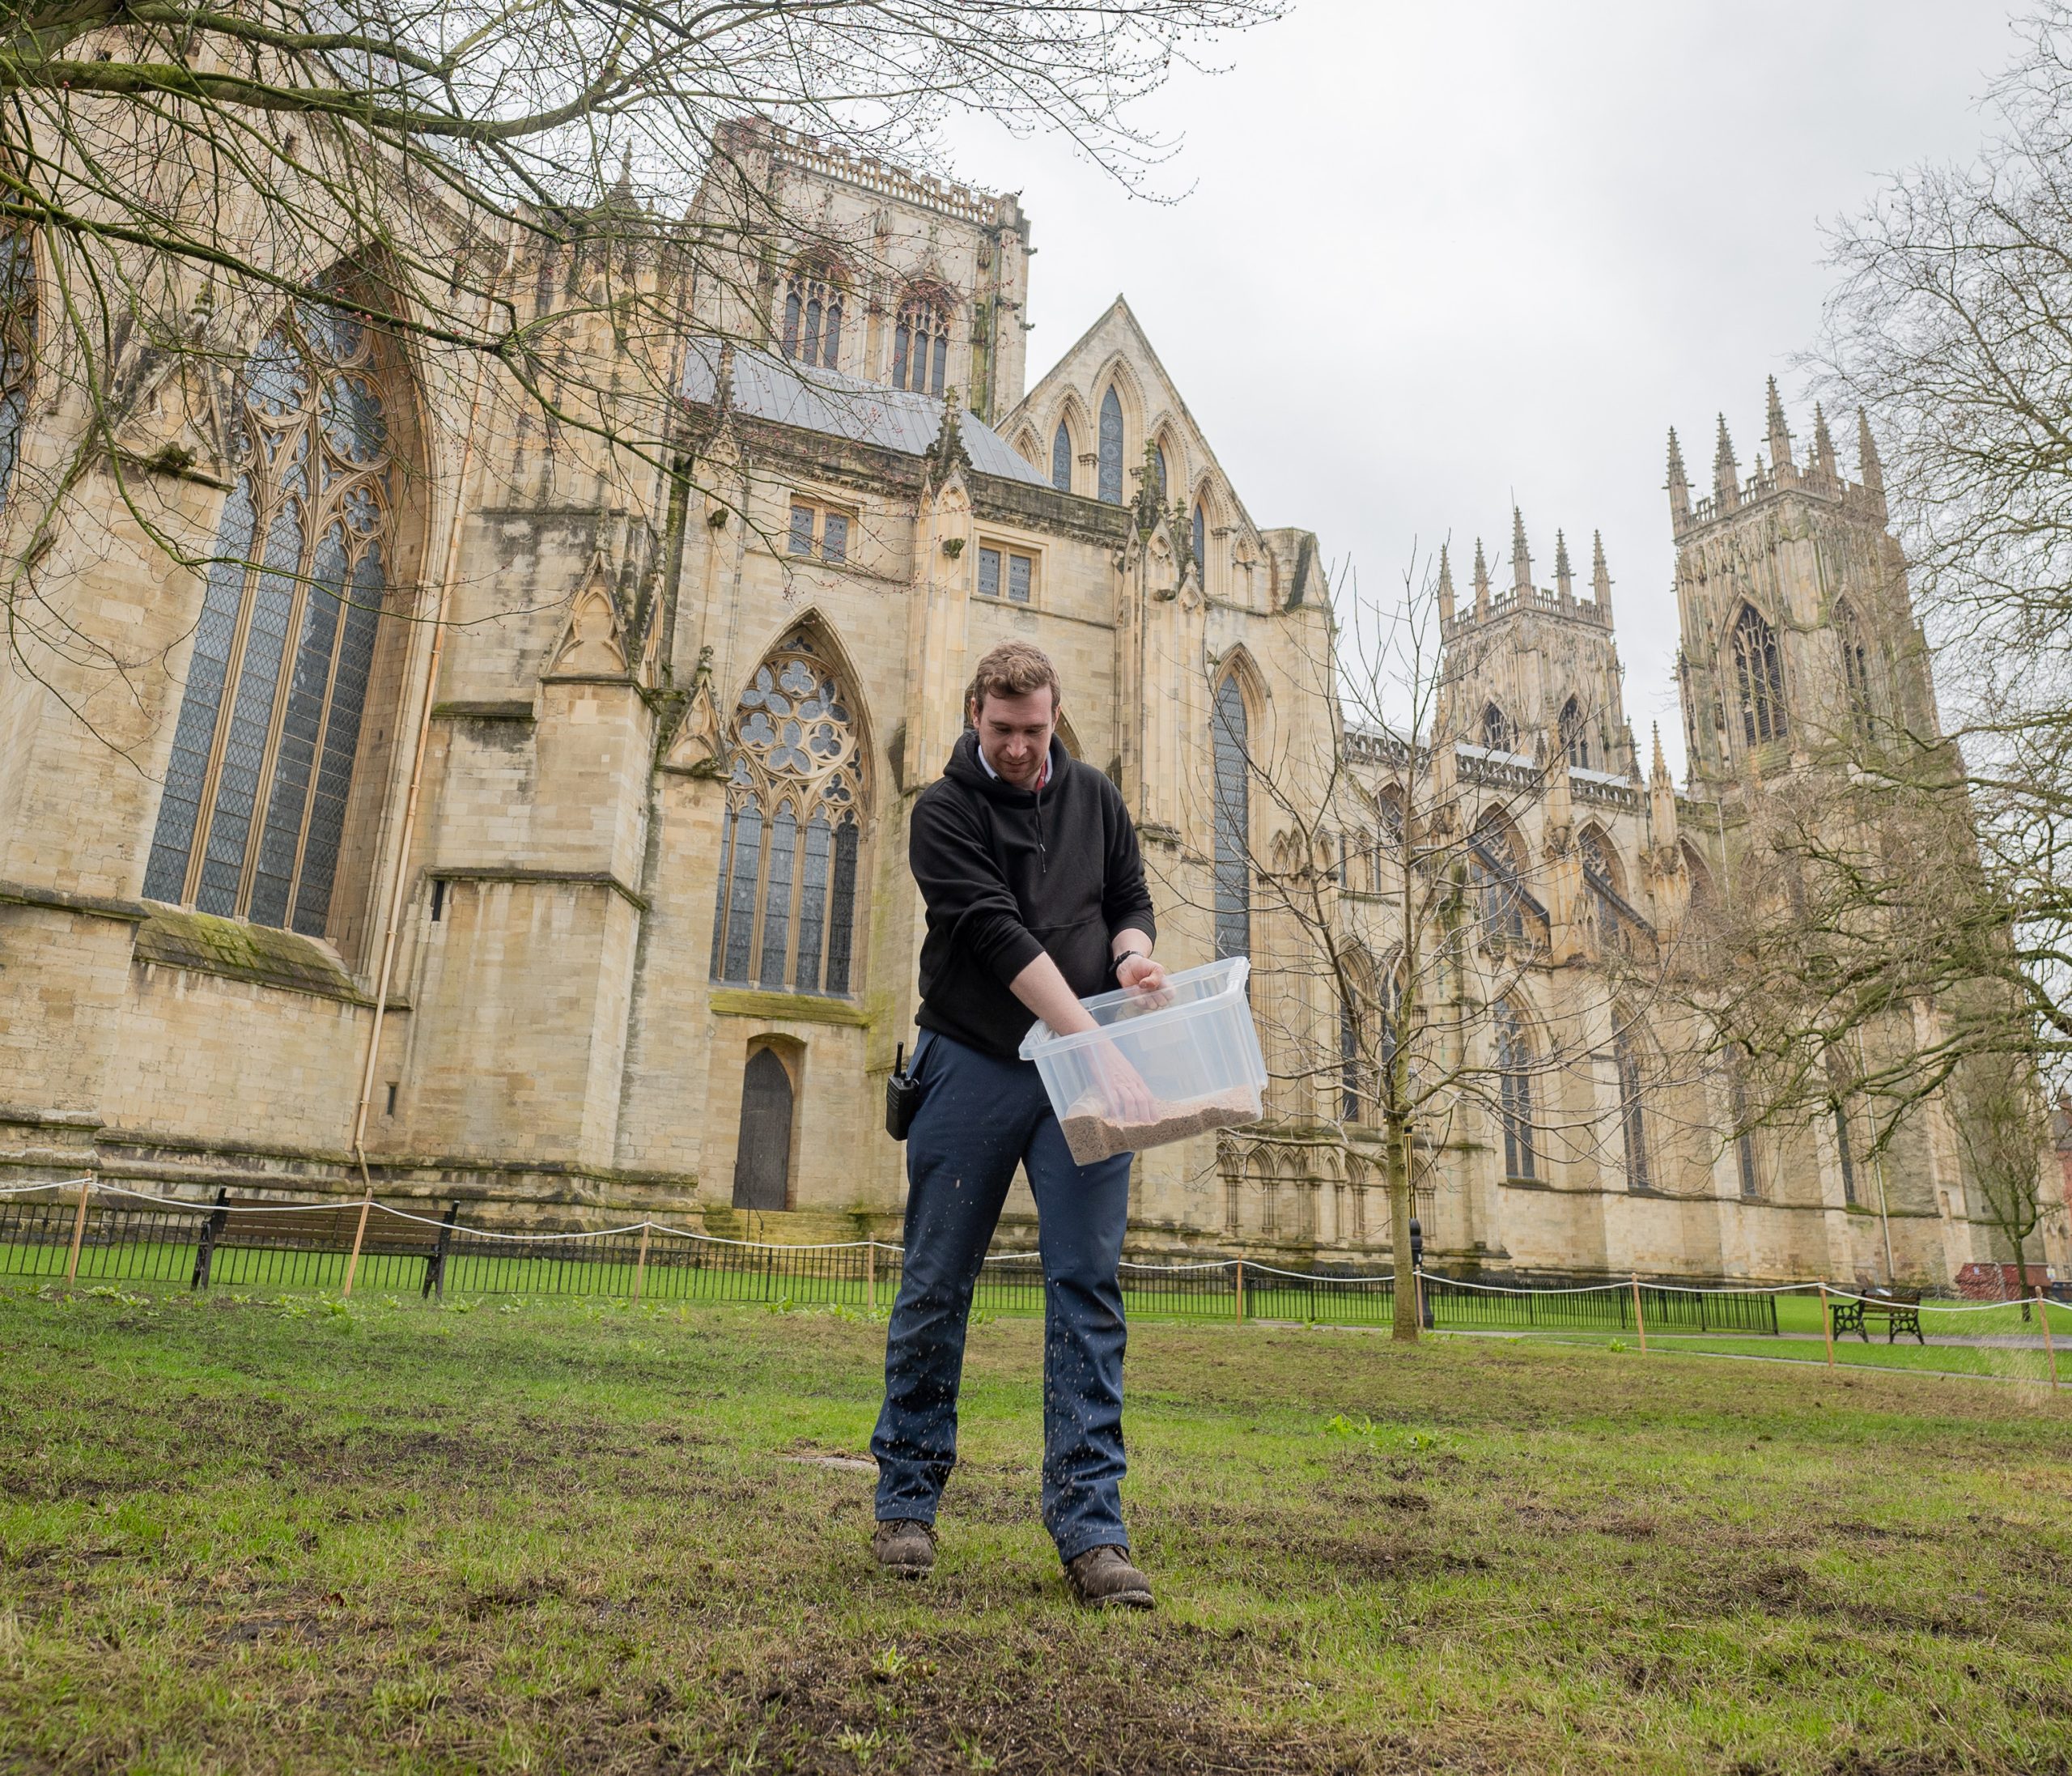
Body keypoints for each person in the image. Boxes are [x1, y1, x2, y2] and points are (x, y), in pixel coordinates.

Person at [870, 640, 1165, 1609]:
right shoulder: (942, 812)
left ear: (1052, 716)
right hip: (973, 1059)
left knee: (1088, 1286)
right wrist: (1100, 1042)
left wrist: (1130, 958)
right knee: (934, 1280)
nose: (1021, 749)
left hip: (1082, 1071)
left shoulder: (1095, 797)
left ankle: (1091, 1526)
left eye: (1035, 730)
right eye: (1002, 731)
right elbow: (999, 935)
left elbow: (1127, 897)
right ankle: (907, 1499)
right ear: (974, 717)